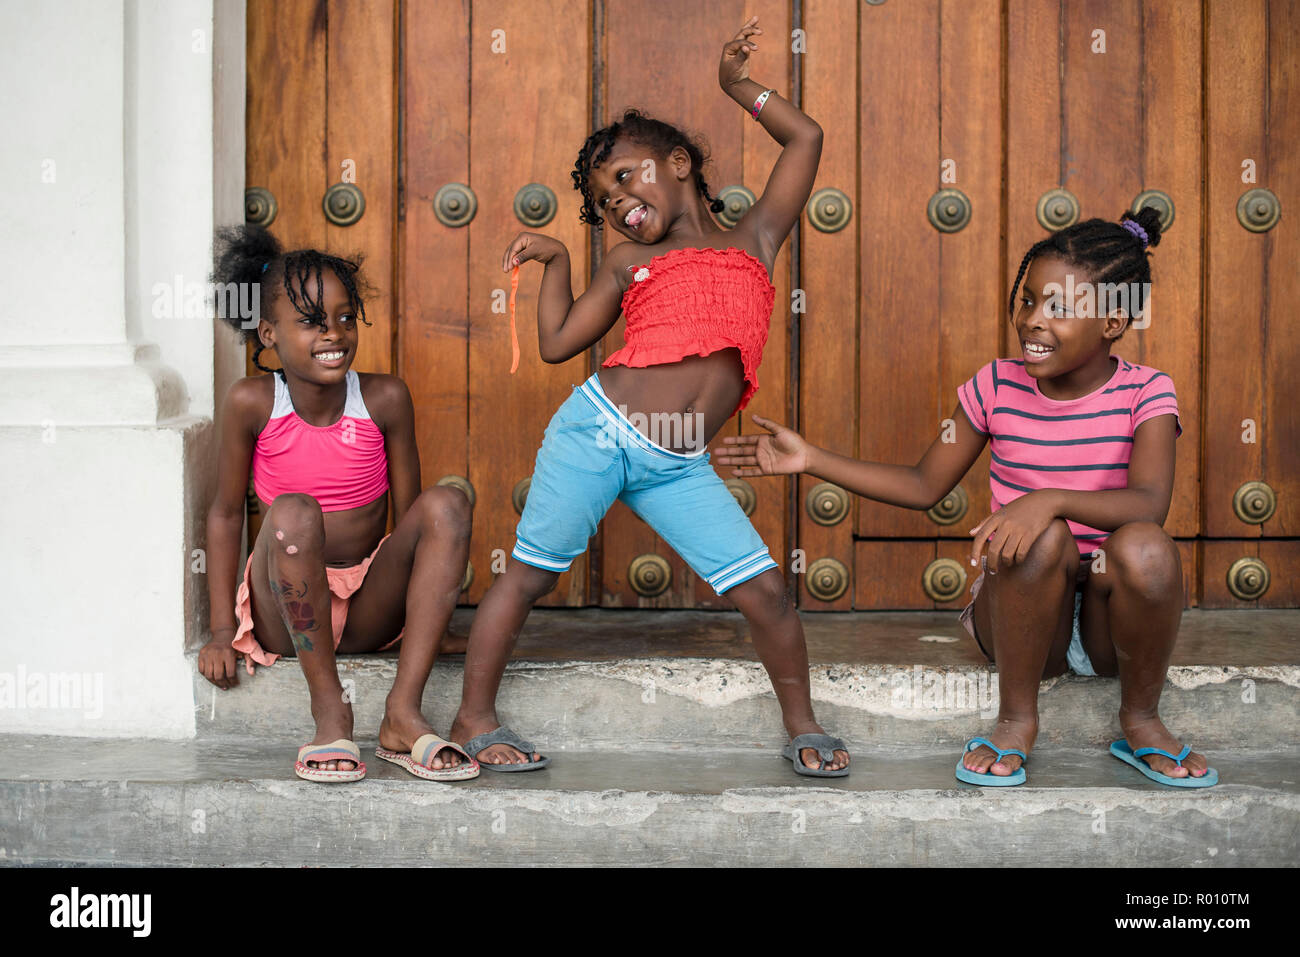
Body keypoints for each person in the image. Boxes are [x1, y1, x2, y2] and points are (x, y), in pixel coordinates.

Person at [450, 17, 851, 777]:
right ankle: (474, 716)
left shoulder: (755, 238)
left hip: (677, 462)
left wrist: (738, 88)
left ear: (677, 162)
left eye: (627, 175)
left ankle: (803, 722)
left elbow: (807, 140)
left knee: (766, 591)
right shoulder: (628, 259)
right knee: (529, 573)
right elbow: (559, 342)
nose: (618, 199)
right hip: (598, 432)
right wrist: (561, 258)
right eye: (603, 197)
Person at [716, 205, 1217, 788]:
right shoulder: (997, 385)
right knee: (1041, 539)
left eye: (1059, 309)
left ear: (1112, 323)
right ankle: (1015, 719)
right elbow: (924, 485)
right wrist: (812, 459)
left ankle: (1142, 718)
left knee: (1147, 547)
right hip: (1023, 617)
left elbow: (1150, 502)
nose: (1032, 320)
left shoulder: (1146, 390)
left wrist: (1048, 496)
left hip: (1114, 623)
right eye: (1028, 300)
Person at [199, 225, 477, 783]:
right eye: (311, 321)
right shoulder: (252, 402)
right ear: (269, 332)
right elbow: (227, 513)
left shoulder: (385, 397)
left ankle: (402, 713)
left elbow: (411, 525)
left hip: (369, 605)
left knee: (446, 503)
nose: (334, 333)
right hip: (288, 609)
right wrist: (219, 629)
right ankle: (330, 713)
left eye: (346, 317)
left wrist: (429, 615)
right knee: (296, 511)